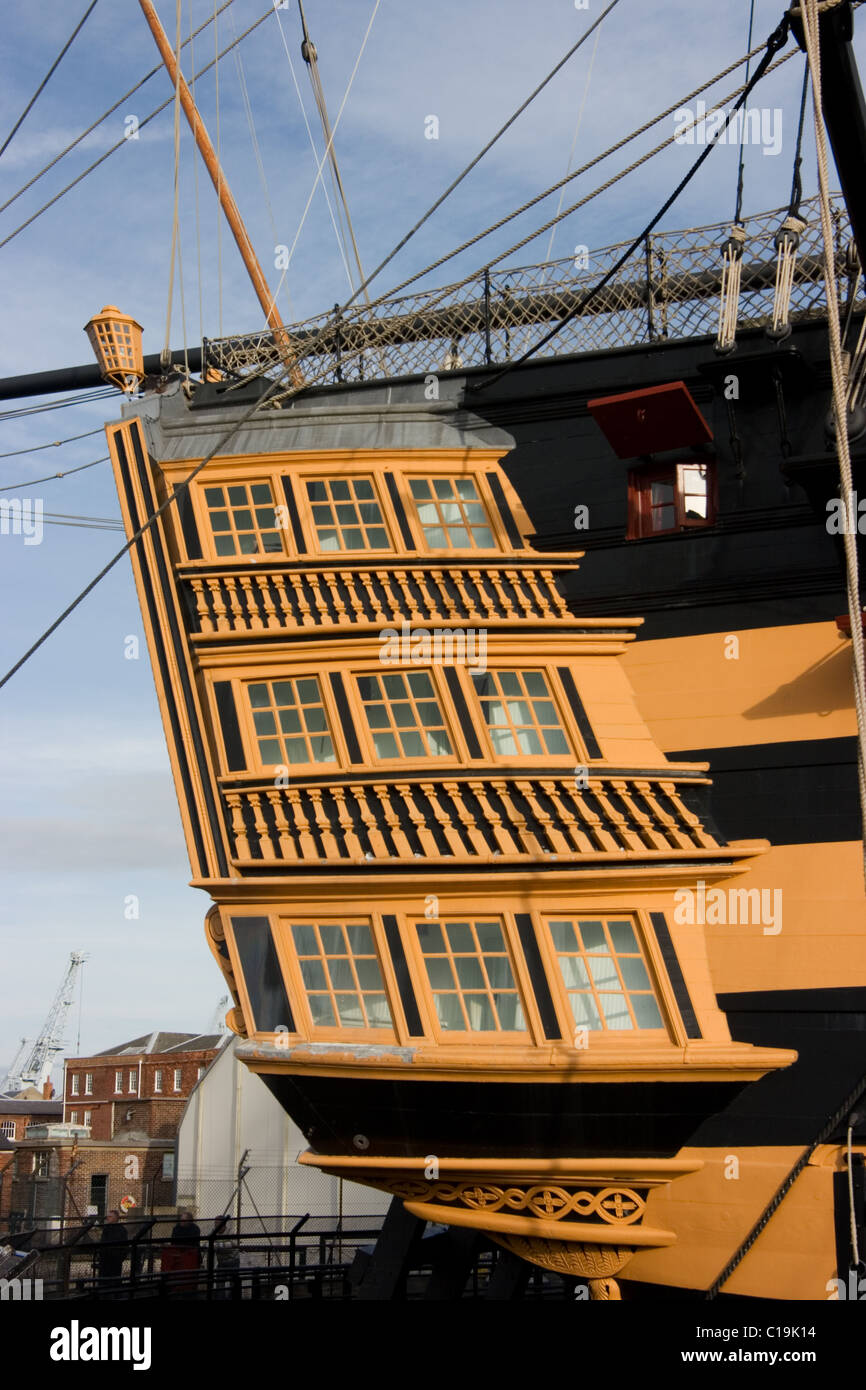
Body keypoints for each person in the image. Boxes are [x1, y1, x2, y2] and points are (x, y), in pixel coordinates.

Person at [97, 1209, 128, 1288]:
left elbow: (125, 1245)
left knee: (114, 1280)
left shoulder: (121, 1230)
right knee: (104, 1281)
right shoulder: (107, 1228)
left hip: (115, 1259)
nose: (108, 1218)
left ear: (116, 1218)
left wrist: (120, 1257)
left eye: (110, 1216)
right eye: (107, 1216)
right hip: (105, 1259)